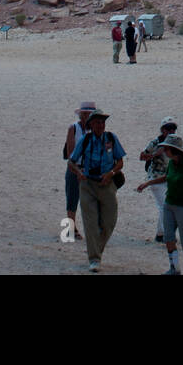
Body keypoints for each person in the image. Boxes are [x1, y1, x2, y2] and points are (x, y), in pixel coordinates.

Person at [66, 108, 125, 272]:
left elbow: (120, 162)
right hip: (87, 184)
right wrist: (78, 173)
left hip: (107, 183)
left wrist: (111, 173)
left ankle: (93, 248)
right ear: (91, 124)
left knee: (109, 221)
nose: (101, 125)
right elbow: (71, 160)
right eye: (98, 122)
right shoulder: (83, 137)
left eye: (103, 122)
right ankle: (93, 257)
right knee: (89, 222)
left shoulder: (111, 138)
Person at [137, 134, 183, 275]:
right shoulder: (172, 164)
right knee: (169, 237)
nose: (165, 151)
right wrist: (148, 183)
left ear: (174, 150)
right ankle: (174, 267)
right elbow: (166, 177)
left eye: (167, 149)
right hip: (170, 204)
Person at [139, 116, 178, 243]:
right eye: (168, 128)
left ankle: (163, 233)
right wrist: (155, 153)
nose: (171, 131)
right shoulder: (155, 143)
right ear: (163, 130)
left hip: (169, 177)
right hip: (155, 177)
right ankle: (162, 234)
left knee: (169, 205)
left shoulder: (175, 142)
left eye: (173, 128)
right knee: (164, 205)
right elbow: (142, 156)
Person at [63, 101, 98, 241]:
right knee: (72, 198)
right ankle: (71, 230)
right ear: (82, 115)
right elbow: (71, 153)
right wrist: (78, 171)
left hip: (89, 170)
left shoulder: (95, 130)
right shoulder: (74, 128)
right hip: (74, 168)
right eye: (87, 114)